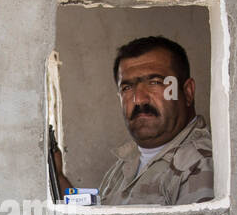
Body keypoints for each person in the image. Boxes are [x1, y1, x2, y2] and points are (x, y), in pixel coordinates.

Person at [53, 36, 214, 205]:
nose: (139, 99)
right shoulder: (128, 161)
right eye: (127, 88)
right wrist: (58, 177)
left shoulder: (199, 163)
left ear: (187, 92)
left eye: (155, 82)